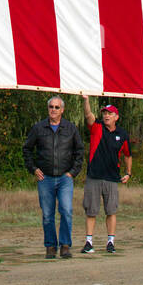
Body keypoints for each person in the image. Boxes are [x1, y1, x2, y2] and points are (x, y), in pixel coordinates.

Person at [22, 96, 84, 258]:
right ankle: (50, 246)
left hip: (65, 178)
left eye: (57, 107)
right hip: (45, 179)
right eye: (51, 107)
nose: (53, 110)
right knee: (48, 214)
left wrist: (72, 172)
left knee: (66, 211)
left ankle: (65, 245)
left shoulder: (70, 128)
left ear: (62, 110)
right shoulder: (38, 128)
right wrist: (34, 169)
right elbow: (27, 149)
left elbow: (79, 151)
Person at [80, 96, 132, 255]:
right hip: (94, 177)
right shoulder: (97, 127)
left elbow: (128, 155)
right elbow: (88, 115)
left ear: (116, 117)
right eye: (104, 113)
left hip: (111, 178)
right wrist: (86, 100)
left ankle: (111, 242)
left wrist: (128, 173)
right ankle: (89, 242)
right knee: (91, 210)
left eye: (109, 113)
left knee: (111, 210)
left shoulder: (122, 134)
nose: (106, 116)